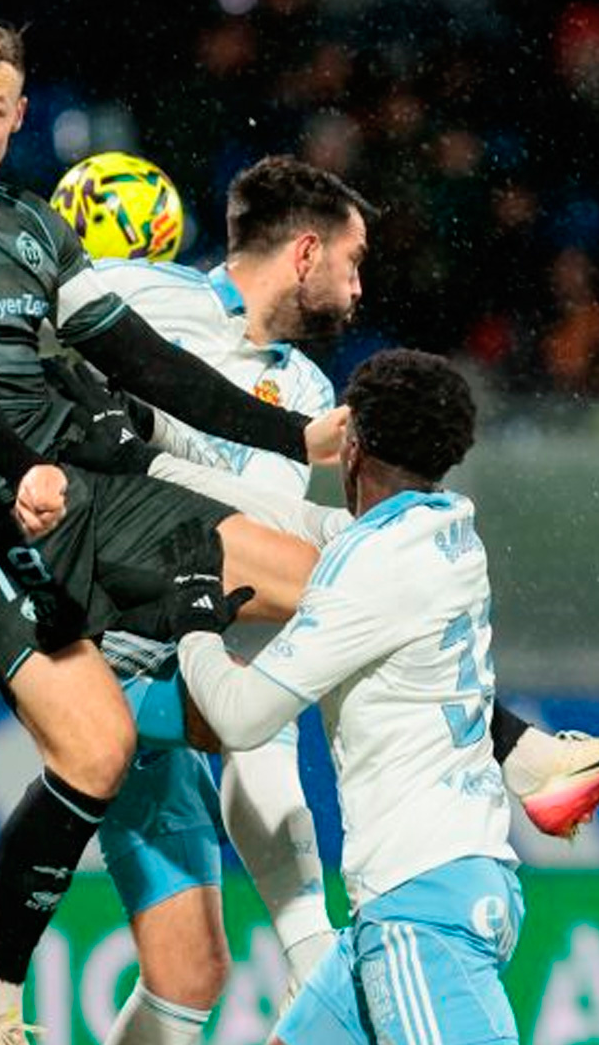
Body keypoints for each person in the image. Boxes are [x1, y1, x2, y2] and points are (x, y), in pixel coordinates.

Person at [53, 155, 599, 1044]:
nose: (358, 287)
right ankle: (520, 765)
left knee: (188, 979)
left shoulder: (308, 396)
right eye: (352, 262)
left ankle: (328, 948)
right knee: (342, 592)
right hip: (100, 631)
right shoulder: (154, 306)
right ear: (305, 252)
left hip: (198, 661)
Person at [0, 13, 345, 1045]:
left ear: (16, 118)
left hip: (87, 497)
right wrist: (21, 470)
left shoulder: (30, 229)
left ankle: (476, 768)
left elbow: (150, 363)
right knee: (96, 749)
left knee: (326, 579)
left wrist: (296, 432)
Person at [154, 348, 533, 1045]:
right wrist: (147, 466)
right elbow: (295, 517)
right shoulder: (447, 527)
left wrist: (195, 628)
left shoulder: (370, 570)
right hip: (426, 891)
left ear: (350, 444)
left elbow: (241, 717)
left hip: (420, 910)